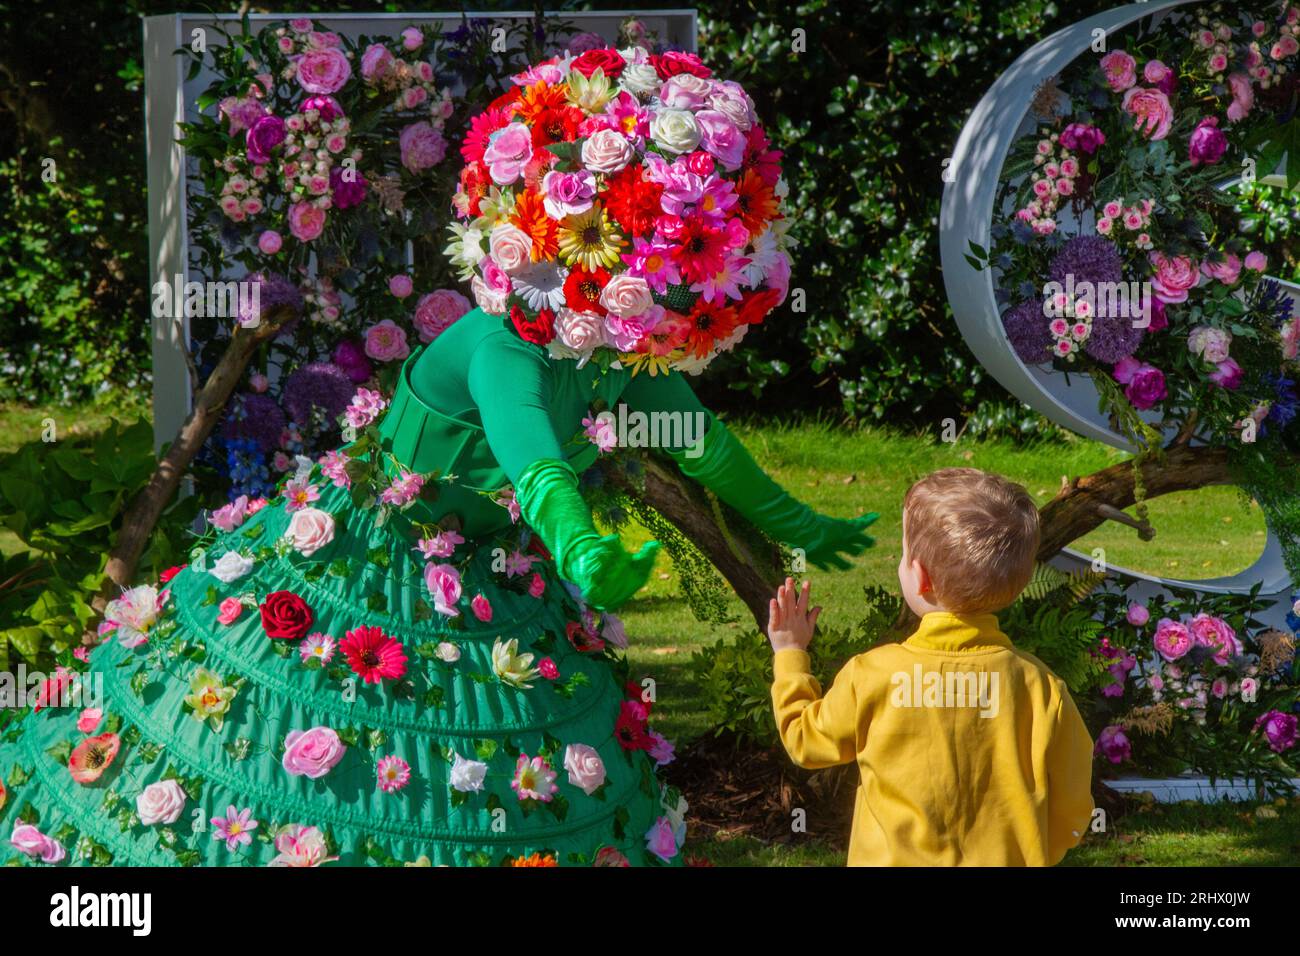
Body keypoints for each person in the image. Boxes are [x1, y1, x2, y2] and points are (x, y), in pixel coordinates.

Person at [0, 308, 875, 867]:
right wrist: (581, 550)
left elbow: (704, 446)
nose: (677, 319)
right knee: (303, 724)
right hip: (364, 559)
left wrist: (805, 525)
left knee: (477, 745)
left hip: (489, 576)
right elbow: (535, 463)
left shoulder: (625, 363)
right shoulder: (503, 347)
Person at [767, 467, 1095, 866]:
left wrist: (790, 653)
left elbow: (805, 740)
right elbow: (1074, 801)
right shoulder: (1040, 687)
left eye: (904, 553)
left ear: (919, 577)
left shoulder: (872, 674)